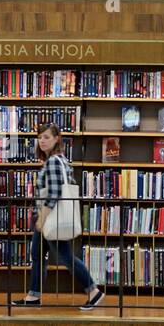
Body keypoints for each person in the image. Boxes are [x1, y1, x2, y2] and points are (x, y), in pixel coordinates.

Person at [12, 123, 105, 310]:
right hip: (48, 217)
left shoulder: (54, 162)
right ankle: (33, 296)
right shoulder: (59, 160)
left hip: (51, 218)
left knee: (65, 257)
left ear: (56, 139)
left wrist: (42, 218)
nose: (42, 141)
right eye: (40, 137)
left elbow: (54, 193)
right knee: (37, 254)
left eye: (46, 137)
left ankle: (93, 291)